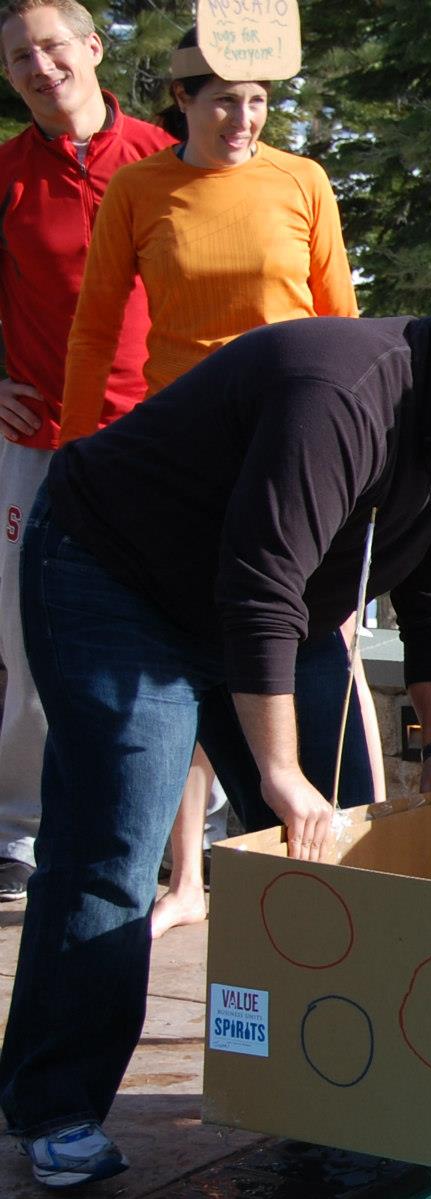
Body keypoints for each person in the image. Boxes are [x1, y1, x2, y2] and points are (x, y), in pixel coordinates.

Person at [0, 273, 431, 1189]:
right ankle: (54, 1107)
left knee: (347, 846)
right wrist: (278, 773)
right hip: (112, 578)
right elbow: (260, 584)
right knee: (117, 839)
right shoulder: (342, 393)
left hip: (263, 614)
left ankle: (331, 1089)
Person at [57, 26, 365, 937]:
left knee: (319, 651)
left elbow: (345, 325)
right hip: (182, 464)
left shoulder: (302, 181)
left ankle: (345, 873)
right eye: (224, 99)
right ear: (181, 103)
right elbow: (93, 328)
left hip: (295, 457)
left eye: (259, 100)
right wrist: (77, 467)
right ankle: (186, 877)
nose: (243, 118)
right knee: (181, 663)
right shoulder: (140, 188)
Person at [0, 0, 175, 906]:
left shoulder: (161, 154)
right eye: (21, 55)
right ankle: (19, 833)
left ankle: (197, 831)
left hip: (160, 436)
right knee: (30, 639)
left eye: (55, 46)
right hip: (39, 443)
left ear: (94, 51)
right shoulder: (5, 175)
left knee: (175, 630)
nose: (41, 65)